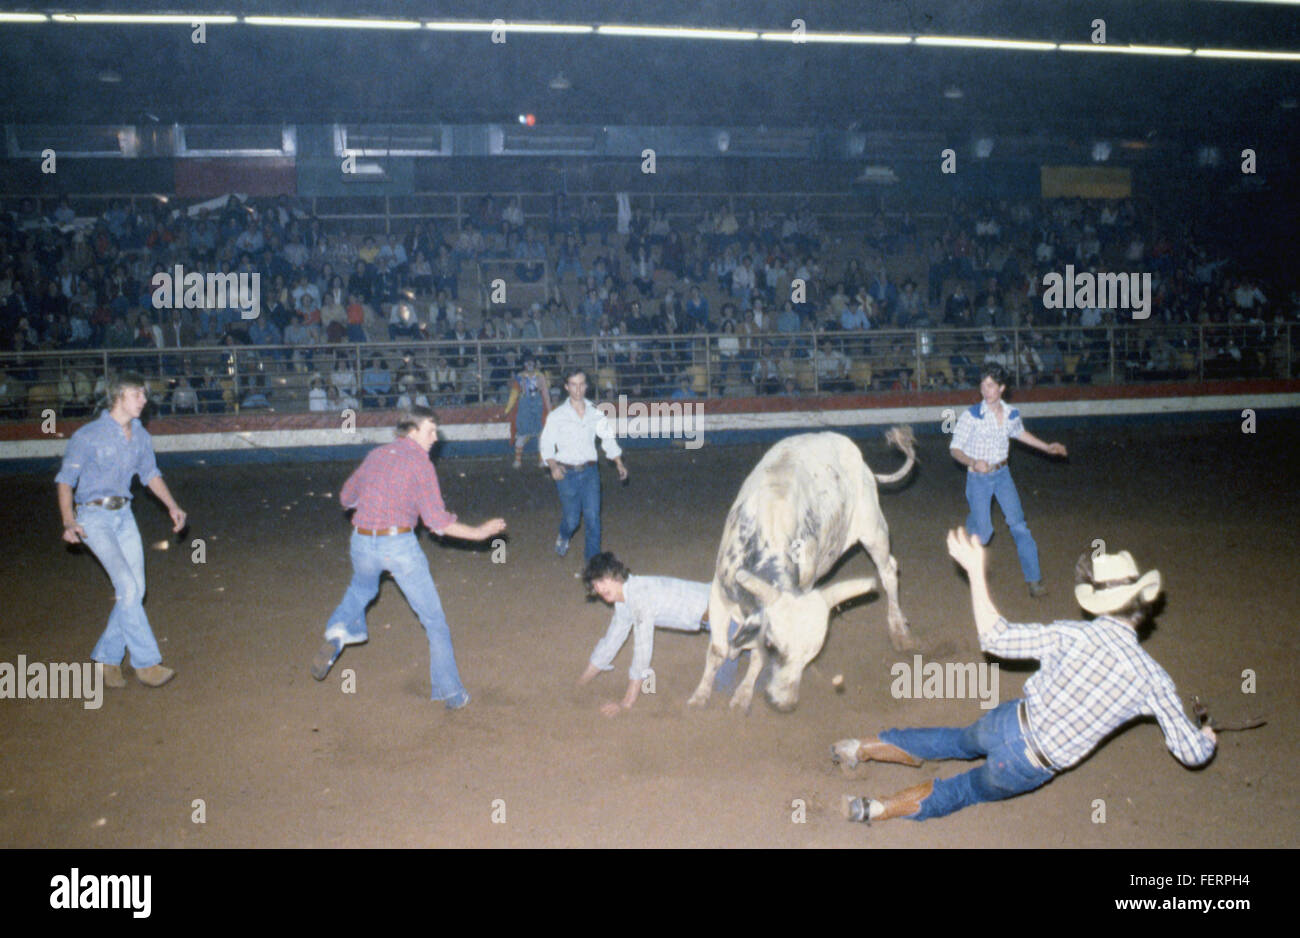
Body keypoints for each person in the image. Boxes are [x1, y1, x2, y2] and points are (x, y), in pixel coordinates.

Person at [835, 527, 1216, 824]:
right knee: (965, 790)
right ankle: (873, 809)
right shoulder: (1154, 680)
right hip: (1030, 763)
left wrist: (974, 572)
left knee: (957, 740)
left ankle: (858, 747)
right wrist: (1206, 738)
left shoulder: (1072, 633)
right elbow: (1191, 753)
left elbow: (996, 638)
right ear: (1142, 606)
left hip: (1007, 723)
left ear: (1100, 602)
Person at [309, 406, 507, 710]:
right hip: (398, 545)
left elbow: (346, 498)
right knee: (434, 622)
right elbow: (437, 523)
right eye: (430, 431)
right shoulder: (420, 462)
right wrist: (480, 533)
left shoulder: (376, 455)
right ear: (411, 431)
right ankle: (452, 694)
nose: (435, 437)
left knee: (362, 590)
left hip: (361, 541)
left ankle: (338, 631)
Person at [55, 372, 187, 689]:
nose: (145, 400)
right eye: (138, 394)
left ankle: (107, 657)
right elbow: (65, 481)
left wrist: (172, 504)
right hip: (93, 518)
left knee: (134, 591)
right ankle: (147, 663)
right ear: (119, 396)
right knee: (128, 587)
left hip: (124, 515)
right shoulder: (87, 436)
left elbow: (150, 473)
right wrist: (68, 521)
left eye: (144, 395)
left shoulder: (140, 436)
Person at [949, 364, 1067, 597]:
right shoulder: (971, 416)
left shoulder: (1012, 413)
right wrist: (973, 462)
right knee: (984, 532)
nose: (985, 390)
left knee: (1019, 526)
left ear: (1002, 388)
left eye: (990, 385)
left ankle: (1034, 580)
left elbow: (1020, 433)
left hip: (1003, 476)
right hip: (979, 479)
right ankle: (970, 533)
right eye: (982, 385)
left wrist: (1047, 447)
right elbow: (954, 449)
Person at [577, 552, 739, 716]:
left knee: (721, 688)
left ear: (617, 575)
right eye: (595, 583)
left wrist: (626, 703)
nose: (599, 588)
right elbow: (610, 643)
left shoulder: (639, 598)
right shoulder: (624, 601)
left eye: (603, 580)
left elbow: (642, 651)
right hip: (717, 609)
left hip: (727, 611)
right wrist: (580, 683)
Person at [539, 367, 627, 563]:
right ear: (566, 387)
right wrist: (553, 466)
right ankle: (564, 534)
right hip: (566, 473)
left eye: (581, 384)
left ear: (586, 386)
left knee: (593, 518)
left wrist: (619, 462)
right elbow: (546, 444)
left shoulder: (595, 413)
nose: (577, 389)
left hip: (589, 472)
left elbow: (608, 439)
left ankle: (593, 563)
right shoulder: (557, 415)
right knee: (571, 520)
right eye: (573, 385)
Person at [502, 355, 551, 470]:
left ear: (535, 363)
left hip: (538, 406)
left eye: (531, 362)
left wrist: (549, 410)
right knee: (522, 433)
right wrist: (507, 410)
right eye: (527, 362)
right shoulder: (519, 377)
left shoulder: (541, 376)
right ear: (524, 364)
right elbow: (514, 394)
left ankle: (541, 460)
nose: (529, 365)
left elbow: (545, 394)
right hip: (525, 407)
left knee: (541, 434)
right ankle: (518, 460)